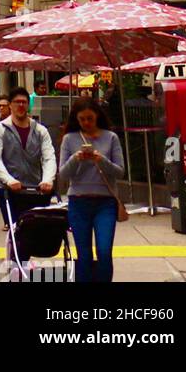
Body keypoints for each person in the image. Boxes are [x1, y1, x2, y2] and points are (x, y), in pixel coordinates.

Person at [58, 99, 125, 283]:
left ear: (97, 116)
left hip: (105, 203)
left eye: (90, 118)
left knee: (104, 251)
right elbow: (63, 174)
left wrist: (100, 159)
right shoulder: (69, 139)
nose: (86, 123)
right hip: (78, 202)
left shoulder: (111, 137)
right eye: (82, 119)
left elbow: (120, 171)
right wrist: (76, 158)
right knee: (84, 254)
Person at [0, 86, 56, 234]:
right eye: (17, 102)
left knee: (36, 233)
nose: (21, 105)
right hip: (9, 190)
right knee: (16, 232)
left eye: (24, 102)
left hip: (35, 189)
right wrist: (8, 179)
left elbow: (49, 157)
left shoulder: (40, 130)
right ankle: (15, 256)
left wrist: (48, 179)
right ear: (10, 105)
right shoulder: (0, 130)